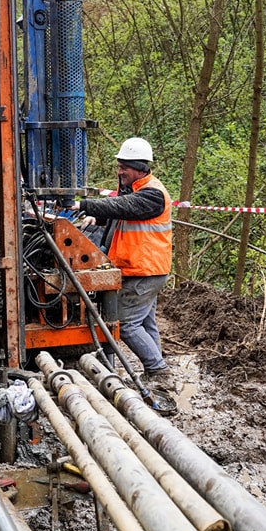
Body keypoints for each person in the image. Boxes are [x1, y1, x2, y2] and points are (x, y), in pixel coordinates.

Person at [73, 137, 173, 377]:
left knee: (127, 324)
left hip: (144, 271)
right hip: (141, 269)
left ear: (139, 167)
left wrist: (84, 205)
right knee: (145, 323)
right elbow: (122, 212)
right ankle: (156, 368)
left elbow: (124, 207)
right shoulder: (133, 190)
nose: (119, 172)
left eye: (123, 167)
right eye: (119, 166)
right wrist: (99, 219)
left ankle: (158, 370)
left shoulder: (152, 194)